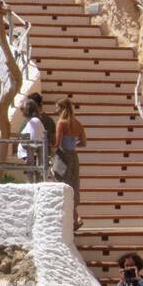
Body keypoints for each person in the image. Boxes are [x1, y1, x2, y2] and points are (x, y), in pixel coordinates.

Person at [54, 98, 87, 230]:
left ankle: (72, 218)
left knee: (61, 186)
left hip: (63, 158)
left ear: (62, 108)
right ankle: (75, 218)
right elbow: (83, 143)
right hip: (74, 157)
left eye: (57, 107)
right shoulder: (77, 123)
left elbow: (57, 143)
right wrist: (73, 144)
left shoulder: (61, 123)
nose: (55, 110)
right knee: (72, 186)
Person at [18, 99, 47, 176]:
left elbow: (31, 138)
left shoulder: (34, 121)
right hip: (30, 155)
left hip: (30, 155)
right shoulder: (33, 121)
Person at [29, 92, 56, 156]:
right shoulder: (50, 120)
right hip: (46, 154)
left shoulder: (28, 121)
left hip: (32, 155)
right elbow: (54, 141)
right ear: (41, 103)